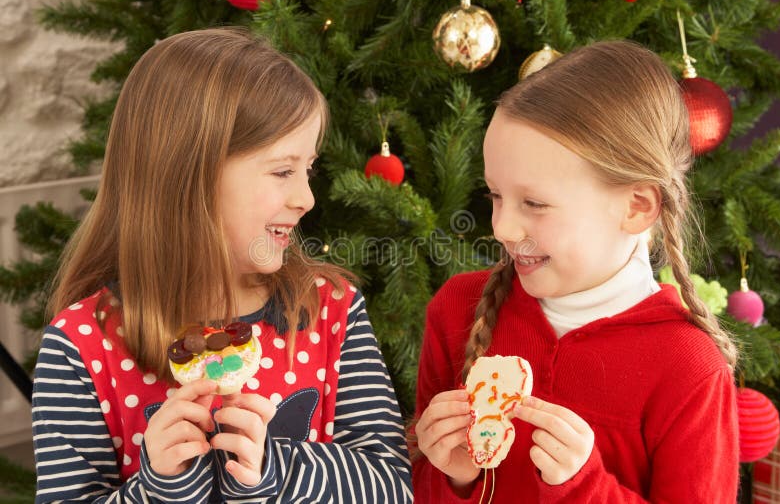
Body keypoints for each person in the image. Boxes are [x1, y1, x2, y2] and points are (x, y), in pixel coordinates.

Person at [32, 28, 412, 503]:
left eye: (307, 169)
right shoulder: (82, 346)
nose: (306, 198)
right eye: (281, 171)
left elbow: (390, 485)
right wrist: (157, 488)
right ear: (187, 175)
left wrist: (275, 465)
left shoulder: (331, 310)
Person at [411, 40, 738, 502]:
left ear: (637, 206)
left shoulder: (688, 368)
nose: (502, 227)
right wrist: (453, 477)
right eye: (495, 196)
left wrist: (584, 487)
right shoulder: (457, 309)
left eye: (535, 204)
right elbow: (419, 488)